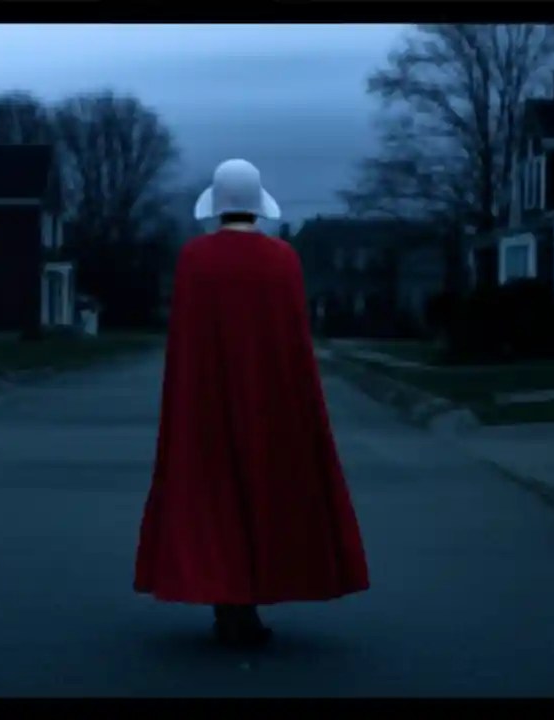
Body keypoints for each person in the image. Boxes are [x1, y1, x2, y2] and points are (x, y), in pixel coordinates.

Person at [134, 159, 370, 648]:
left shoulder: (194, 260)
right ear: (259, 209)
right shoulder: (284, 260)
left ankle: (228, 603)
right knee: (267, 491)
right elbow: (293, 343)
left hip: (206, 402)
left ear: (216, 208)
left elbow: (185, 342)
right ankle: (249, 604)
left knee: (213, 496)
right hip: (271, 403)